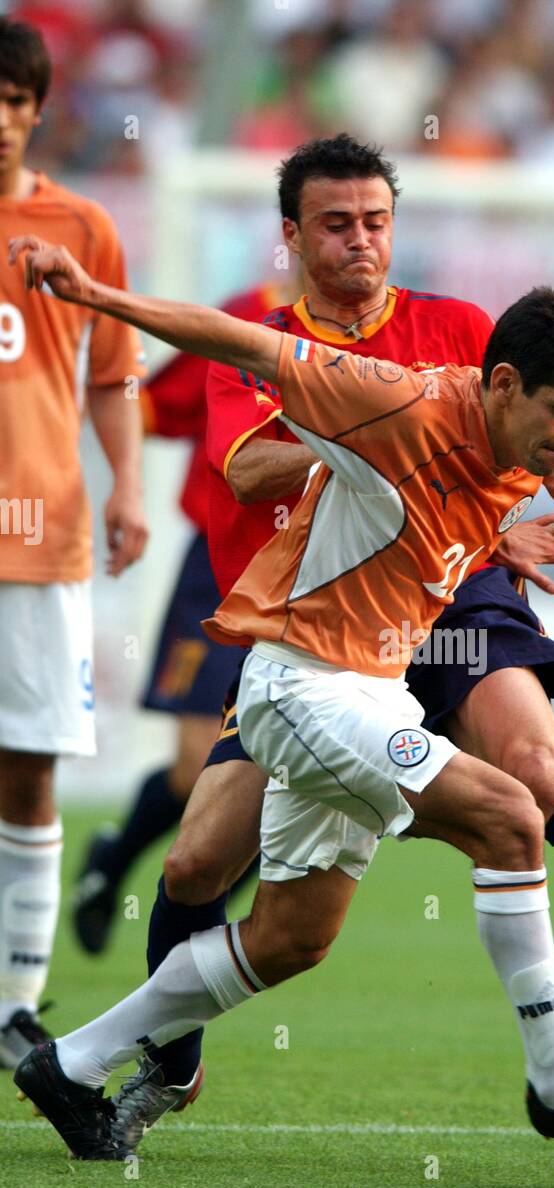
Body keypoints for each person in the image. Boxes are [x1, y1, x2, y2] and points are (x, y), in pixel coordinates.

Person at [8, 231, 554, 1165]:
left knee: (290, 939)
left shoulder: (528, 443)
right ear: (502, 384)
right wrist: (92, 294)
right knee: (512, 815)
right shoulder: (393, 400)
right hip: (304, 688)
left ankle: (70, 1065)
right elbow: (239, 343)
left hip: (372, 689)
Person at [0, 18, 146, 1068]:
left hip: (42, 534)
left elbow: (111, 376)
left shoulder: (84, 227)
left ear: (37, 109)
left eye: (13, 101)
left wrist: (130, 483)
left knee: (28, 772)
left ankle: (15, 1002)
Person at [71, 281, 286, 955]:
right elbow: (153, 407)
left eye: (371, 223)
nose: (355, 243)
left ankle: (201, 942)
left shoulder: (386, 334)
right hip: (221, 569)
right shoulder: (250, 317)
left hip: (326, 574)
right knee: (200, 769)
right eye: (333, 222)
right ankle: (115, 862)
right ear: (297, 232)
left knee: (281, 785)